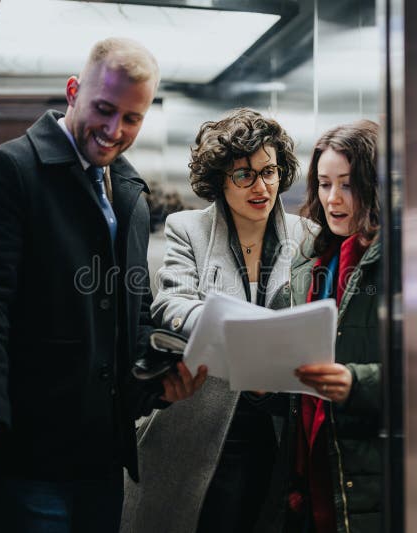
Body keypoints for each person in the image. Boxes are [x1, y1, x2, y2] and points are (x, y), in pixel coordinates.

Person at [0, 37, 206, 533]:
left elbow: (132, 317)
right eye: (104, 109)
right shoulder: (7, 172)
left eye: (132, 118)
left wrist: (160, 384)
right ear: (73, 91)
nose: (115, 130)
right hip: (26, 459)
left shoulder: (129, 193)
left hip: (101, 461)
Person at [120, 108, 308, 533]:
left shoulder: (307, 236)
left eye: (269, 171)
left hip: (282, 423)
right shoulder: (188, 229)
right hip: (203, 420)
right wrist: (247, 331)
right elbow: (172, 304)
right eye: (244, 175)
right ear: (220, 181)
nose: (261, 187)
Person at [290, 120, 383, 533]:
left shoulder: (402, 262)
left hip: (368, 476)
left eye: (347, 184)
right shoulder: (315, 261)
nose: (333, 199)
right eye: (325, 184)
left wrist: (354, 383)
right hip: (314, 474)